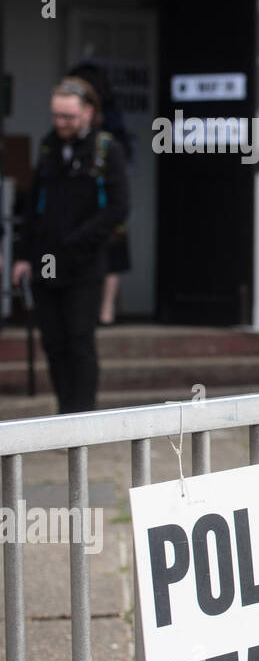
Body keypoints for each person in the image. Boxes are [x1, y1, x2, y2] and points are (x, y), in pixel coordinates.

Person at [10, 77, 130, 414]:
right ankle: (65, 415)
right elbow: (35, 206)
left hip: (84, 264)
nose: (61, 123)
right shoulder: (49, 148)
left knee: (79, 340)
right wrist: (22, 256)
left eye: (69, 117)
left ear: (89, 112)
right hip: (46, 262)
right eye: (57, 116)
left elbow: (118, 207)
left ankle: (83, 416)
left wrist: (78, 240)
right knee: (53, 342)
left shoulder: (107, 149)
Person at [67, 62, 135, 325]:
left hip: (104, 192)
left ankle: (104, 310)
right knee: (110, 249)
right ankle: (104, 310)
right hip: (95, 193)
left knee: (112, 247)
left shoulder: (108, 122)